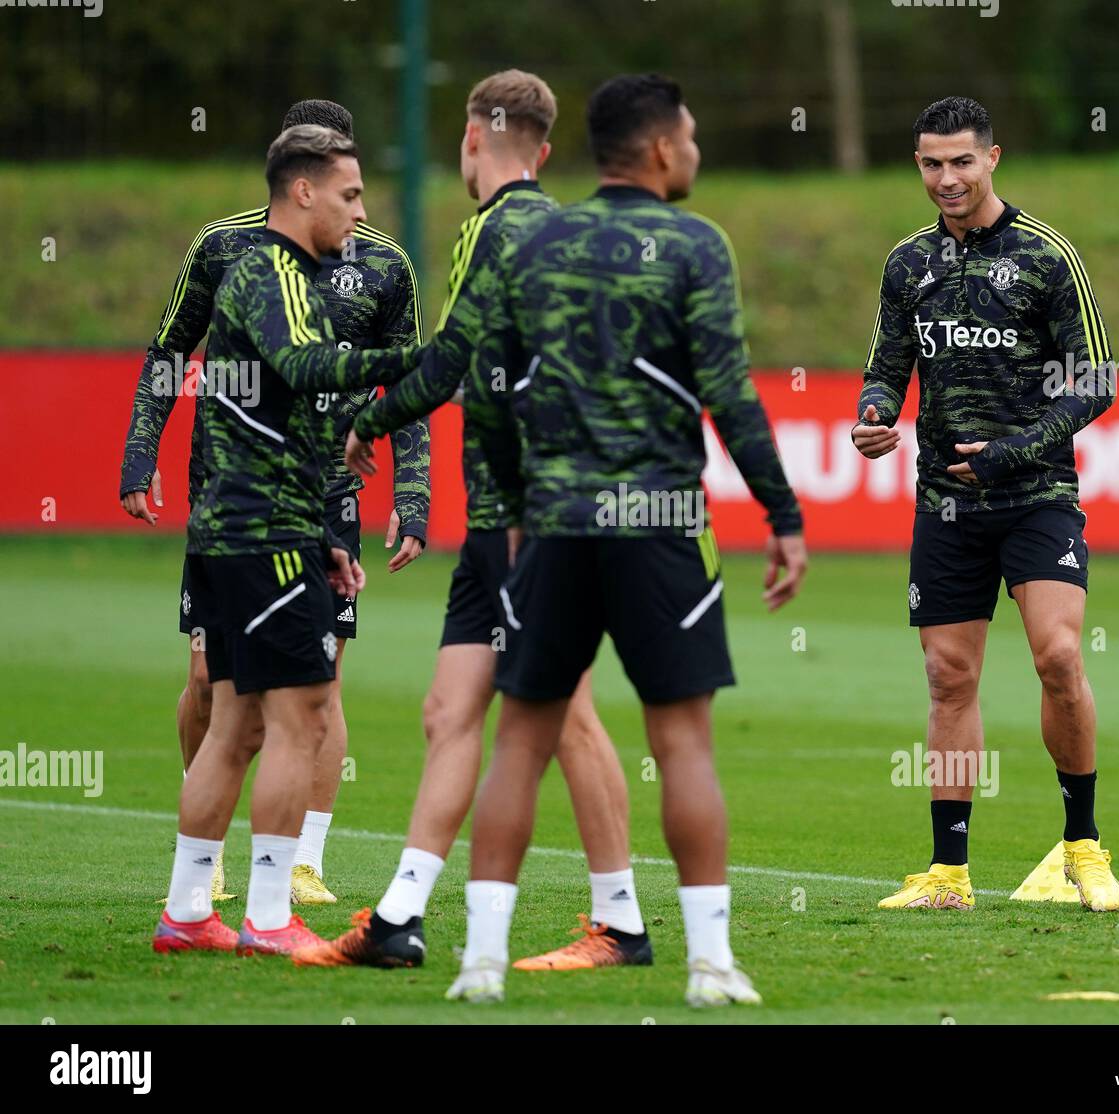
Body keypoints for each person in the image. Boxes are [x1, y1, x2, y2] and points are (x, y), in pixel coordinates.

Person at [442, 73, 808, 1007]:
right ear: (656, 149)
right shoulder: (692, 243)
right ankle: (711, 965)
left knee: (519, 741)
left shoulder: (532, 239)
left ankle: (480, 962)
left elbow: (485, 392)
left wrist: (515, 506)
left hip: (557, 525)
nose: (694, 152)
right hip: (660, 526)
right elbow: (729, 392)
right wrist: (783, 515)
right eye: (688, 138)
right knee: (682, 744)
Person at [295, 70, 652, 973]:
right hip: (506, 515)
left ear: (470, 140)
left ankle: (623, 926)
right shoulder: (560, 226)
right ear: (542, 144)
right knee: (450, 709)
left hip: (534, 516)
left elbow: (448, 359)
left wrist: (365, 418)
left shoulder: (498, 230)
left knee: (563, 710)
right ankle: (398, 921)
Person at [120, 99, 429, 905]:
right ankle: (222, 873)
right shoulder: (236, 254)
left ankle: (294, 866)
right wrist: (140, 451)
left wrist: (413, 489)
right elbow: (177, 351)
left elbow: (397, 394)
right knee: (222, 688)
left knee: (312, 689)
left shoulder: (384, 265)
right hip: (243, 502)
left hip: (318, 500)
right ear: (302, 183)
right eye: (349, 189)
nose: (360, 208)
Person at [852, 95, 1119, 912]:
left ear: (993, 158)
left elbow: (1097, 380)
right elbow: (886, 366)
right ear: (918, 165)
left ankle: (1083, 846)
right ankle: (948, 873)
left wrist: (1015, 451)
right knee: (948, 677)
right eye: (932, 163)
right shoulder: (907, 265)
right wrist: (872, 414)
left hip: (1037, 496)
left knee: (1059, 658)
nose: (947, 178)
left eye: (962, 161)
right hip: (944, 505)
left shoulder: (1046, 257)